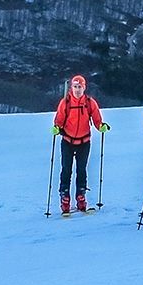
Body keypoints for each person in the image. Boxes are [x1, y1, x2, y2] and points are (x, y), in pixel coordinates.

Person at [52, 74, 108, 214]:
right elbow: (59, 118)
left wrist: (101, 126)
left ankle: (81, 196)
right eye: (75, 87)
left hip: (84, 142)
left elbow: (96, 119)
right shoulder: (65, 102)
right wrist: (56, 127)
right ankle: (65, 198)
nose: (77, 90)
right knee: (66, 169)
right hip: (68, 141)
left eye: (80, 87)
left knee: (81, 170)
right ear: (71, 88)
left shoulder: (89, 103)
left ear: (84, 88)